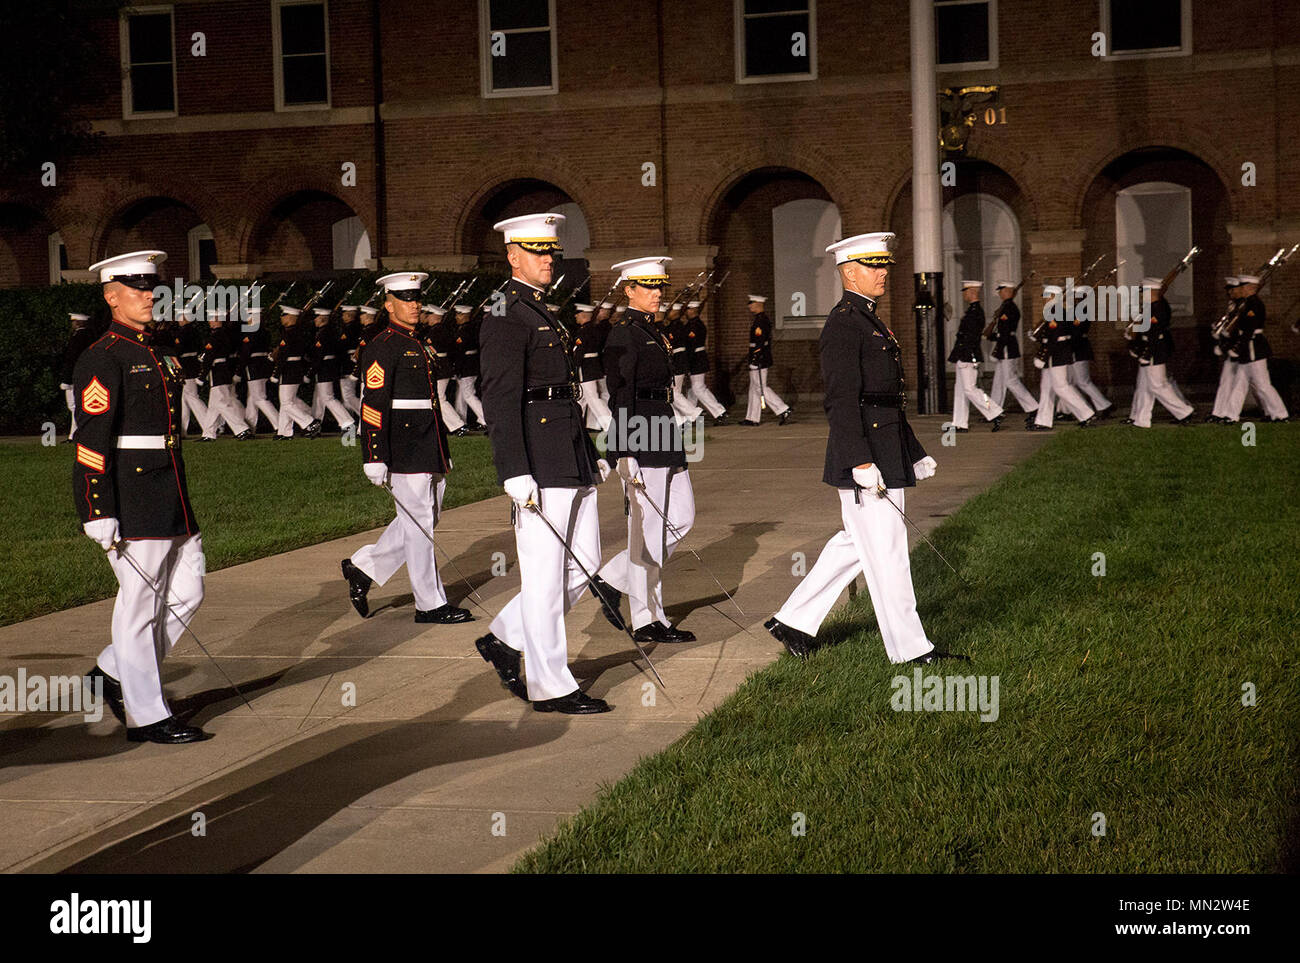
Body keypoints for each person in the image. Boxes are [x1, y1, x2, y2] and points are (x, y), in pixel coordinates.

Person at [765, 232, 959, 665]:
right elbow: (842, 400)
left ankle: (792, 620)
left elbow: (888, 397)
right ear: (849, 272)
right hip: (866, 453)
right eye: (874, 266)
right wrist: (860, 460)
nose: (884, 272)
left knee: (856, 543)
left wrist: (913, 450)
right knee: (888, 553)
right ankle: (911, 650)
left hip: (885, 446)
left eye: (885, 264)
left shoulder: (869, 319)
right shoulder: (844, 324)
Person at [475, 212, 613, 714]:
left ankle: (507, 636)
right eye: (537, 252)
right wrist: (513, 469)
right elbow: (499, 396)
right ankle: (552, 684)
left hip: (569, 451)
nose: (548, 259)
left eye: (551, 251)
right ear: (513, 255)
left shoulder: (539, 307)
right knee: (542, 573)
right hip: (537, 455)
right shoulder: (503, 310)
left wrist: (589, 453)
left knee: (587, 563)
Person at [74, 250, 209, 744]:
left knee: (189, 590)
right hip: (132, 494)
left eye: (151, 287)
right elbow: (90, 440)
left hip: (170, 487)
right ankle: (147, 714)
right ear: (112, 297)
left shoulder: (157, 349)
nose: (149, 295)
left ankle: (114, 669)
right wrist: (97, 507)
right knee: (139, 606)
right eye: (136, 289)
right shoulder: (102, 356)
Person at [340, 272, 471, 626]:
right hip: (403, 445)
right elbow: (373, 404)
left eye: (416, 298)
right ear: (388, 303)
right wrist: (374, 455)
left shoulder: (419, 340)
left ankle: (363, 567)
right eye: (405, 298)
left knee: (424, 519)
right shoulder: (382, 344)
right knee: (420, 525)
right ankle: (429, 603)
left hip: (429, 442)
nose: (414, 304)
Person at [590, 255, 697, 645]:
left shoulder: (652, 331)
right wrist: (623, 451)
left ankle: (611, 578)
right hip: (641, 433)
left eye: (659, 287)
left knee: (682, 517)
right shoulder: (624, 334)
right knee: (647, 529)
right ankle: (648, 617)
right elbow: (621, 395)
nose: (657, 294)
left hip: (662, 426)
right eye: (648, 287)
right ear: (628, 290)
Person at [1125, 279, 1194, 428]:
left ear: (1152, 292)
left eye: (1143, 292)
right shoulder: (1151, 307)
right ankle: (1141, 418)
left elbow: (1154, 334)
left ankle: (1184, 411)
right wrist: (1134, 342)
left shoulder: (1159, 308)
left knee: (1158, 385)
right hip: (1149, 348)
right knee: (1143, 386)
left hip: (1154, 350)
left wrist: (1146, 353)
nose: (1141, 295)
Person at [1222, 273, 1289, 422]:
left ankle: (1280, 414)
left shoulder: (1254, 304)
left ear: (1251, 288)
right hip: (1248, 347)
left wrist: (1237, 347)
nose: (1241, 290)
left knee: (1262, 384)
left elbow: (1249, 329)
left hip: (1254, 348)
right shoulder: (1247, 303)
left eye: (1244, 287)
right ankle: (1231, 415)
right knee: (1240, 384)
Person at [1029, 285, 1096, 431]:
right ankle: (1043, 420)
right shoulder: (1055, 311)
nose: (1045, 299)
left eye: (1047, 296)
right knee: (1046, 388)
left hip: (1056, 353)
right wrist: (1037, 336)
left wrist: (1042, 356)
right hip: (1055, 352)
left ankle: (1086, 413)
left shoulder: (1055, 312)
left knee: (1061, 387)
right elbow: (1050, 335)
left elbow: (1054, 338)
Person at [946, 280, 1003, 432]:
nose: (964, 294)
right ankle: (959, 422)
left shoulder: (975, 312)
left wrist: (968, 356)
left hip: (968, 355)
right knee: (960, 389)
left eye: (965, 291)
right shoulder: (972, 310)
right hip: (963, 354)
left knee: (970, 389)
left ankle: (995, 411)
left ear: (972, 292)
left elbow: (971, 337)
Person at [198, 307, 253, 441]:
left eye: (212, 319)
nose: (210, 322)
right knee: (213, 407)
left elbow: (209, 357)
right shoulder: (225, 334)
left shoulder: (215, 335)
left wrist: (201, 376)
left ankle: (242, 429)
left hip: (218, 372)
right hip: (224, 370)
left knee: (222, 404)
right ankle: (208, 433)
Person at [985, 282, 1037, 415]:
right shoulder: (1005, 307)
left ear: (1009, 291)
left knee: (1010, 380)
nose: (999, 293)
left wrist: (996, 345)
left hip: (1007, 347)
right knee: (999, 382)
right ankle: (994, 411)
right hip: (1005, 346)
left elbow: (1005, 332)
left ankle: (1033, 407)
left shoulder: (1009, 308)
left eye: (1002, 290)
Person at [741, 295, 792, 425]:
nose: (749, 306)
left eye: (751, 303)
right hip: (759, 356)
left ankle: (783, 409)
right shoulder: (759, 319)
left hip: (760, 357)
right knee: (754, 388)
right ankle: (752, 418)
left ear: (758, 304)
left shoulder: (761, 321)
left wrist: (755, 357)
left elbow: (760, 342)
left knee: (760, 387)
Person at [273, 306, 321, 440]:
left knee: (287, 402)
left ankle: (310, 423)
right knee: (288, 401)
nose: (282, 318)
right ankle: (284, 431)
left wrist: (276, 374)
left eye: (284, 315)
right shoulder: (298, 333)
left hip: (288, 369)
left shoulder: (288, 334)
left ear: (290, 317)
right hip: (296, 369)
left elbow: (283, 356)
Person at [309, 306, 357, 433]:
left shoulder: (323, 333)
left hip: (325, 369)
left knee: (328, 398)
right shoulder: (326, 332)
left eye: (316, 318)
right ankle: (315, 424)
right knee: (322, 398)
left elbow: (320, 354)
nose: (314, 320)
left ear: (322, 319)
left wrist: (310, 372)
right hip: (328, 368)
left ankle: (348, 422)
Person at [682, 299, 728, 424]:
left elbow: (691, 345)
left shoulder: (695, 326)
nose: (686, 312)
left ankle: (720, 412)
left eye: (688, 309)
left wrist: (687, 363)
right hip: (695, 359)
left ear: (693, 310)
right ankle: (689, 416)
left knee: (698, 388)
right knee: (692, 390)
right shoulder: (691, 325)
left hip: (697, 359)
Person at [572, 302, 613, 432]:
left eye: (577, 314)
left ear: (583, 315)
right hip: (595, 365)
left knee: (592, 397)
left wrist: (573, 367)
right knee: (582, 398)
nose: (575, 317)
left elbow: (579, 351)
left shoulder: (584, 331)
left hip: (586, 367)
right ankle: (577, 425)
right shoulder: (595, 329)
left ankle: (610, 424)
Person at [239, 306, 279, 433]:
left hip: (254, 366)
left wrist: (239, 370)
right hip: (264, 365)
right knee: (252, 398)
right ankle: (250, 425)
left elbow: (246, 352)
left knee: (259, 398)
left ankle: (279, 424)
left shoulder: (250, 332)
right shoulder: (264, 331)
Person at [61, 312, 97, 441]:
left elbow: (71, 359)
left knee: (74, 405)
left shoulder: (79, 337)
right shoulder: (88, 336)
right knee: (77, 405)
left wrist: (67, 378)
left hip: (75, 376)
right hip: (83, 375)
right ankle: (74, 433)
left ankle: (76, 433)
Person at [451, 303, 487, 429]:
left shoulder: (465, 330)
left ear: (464, 315)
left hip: (467, 366)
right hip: (468, 365)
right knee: (460, 395)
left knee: (468, 394)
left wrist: (457, 367)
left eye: (458, 314)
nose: (456, 317)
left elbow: (460, 350)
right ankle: (460, 420)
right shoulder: (467, 328)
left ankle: (485, 418)